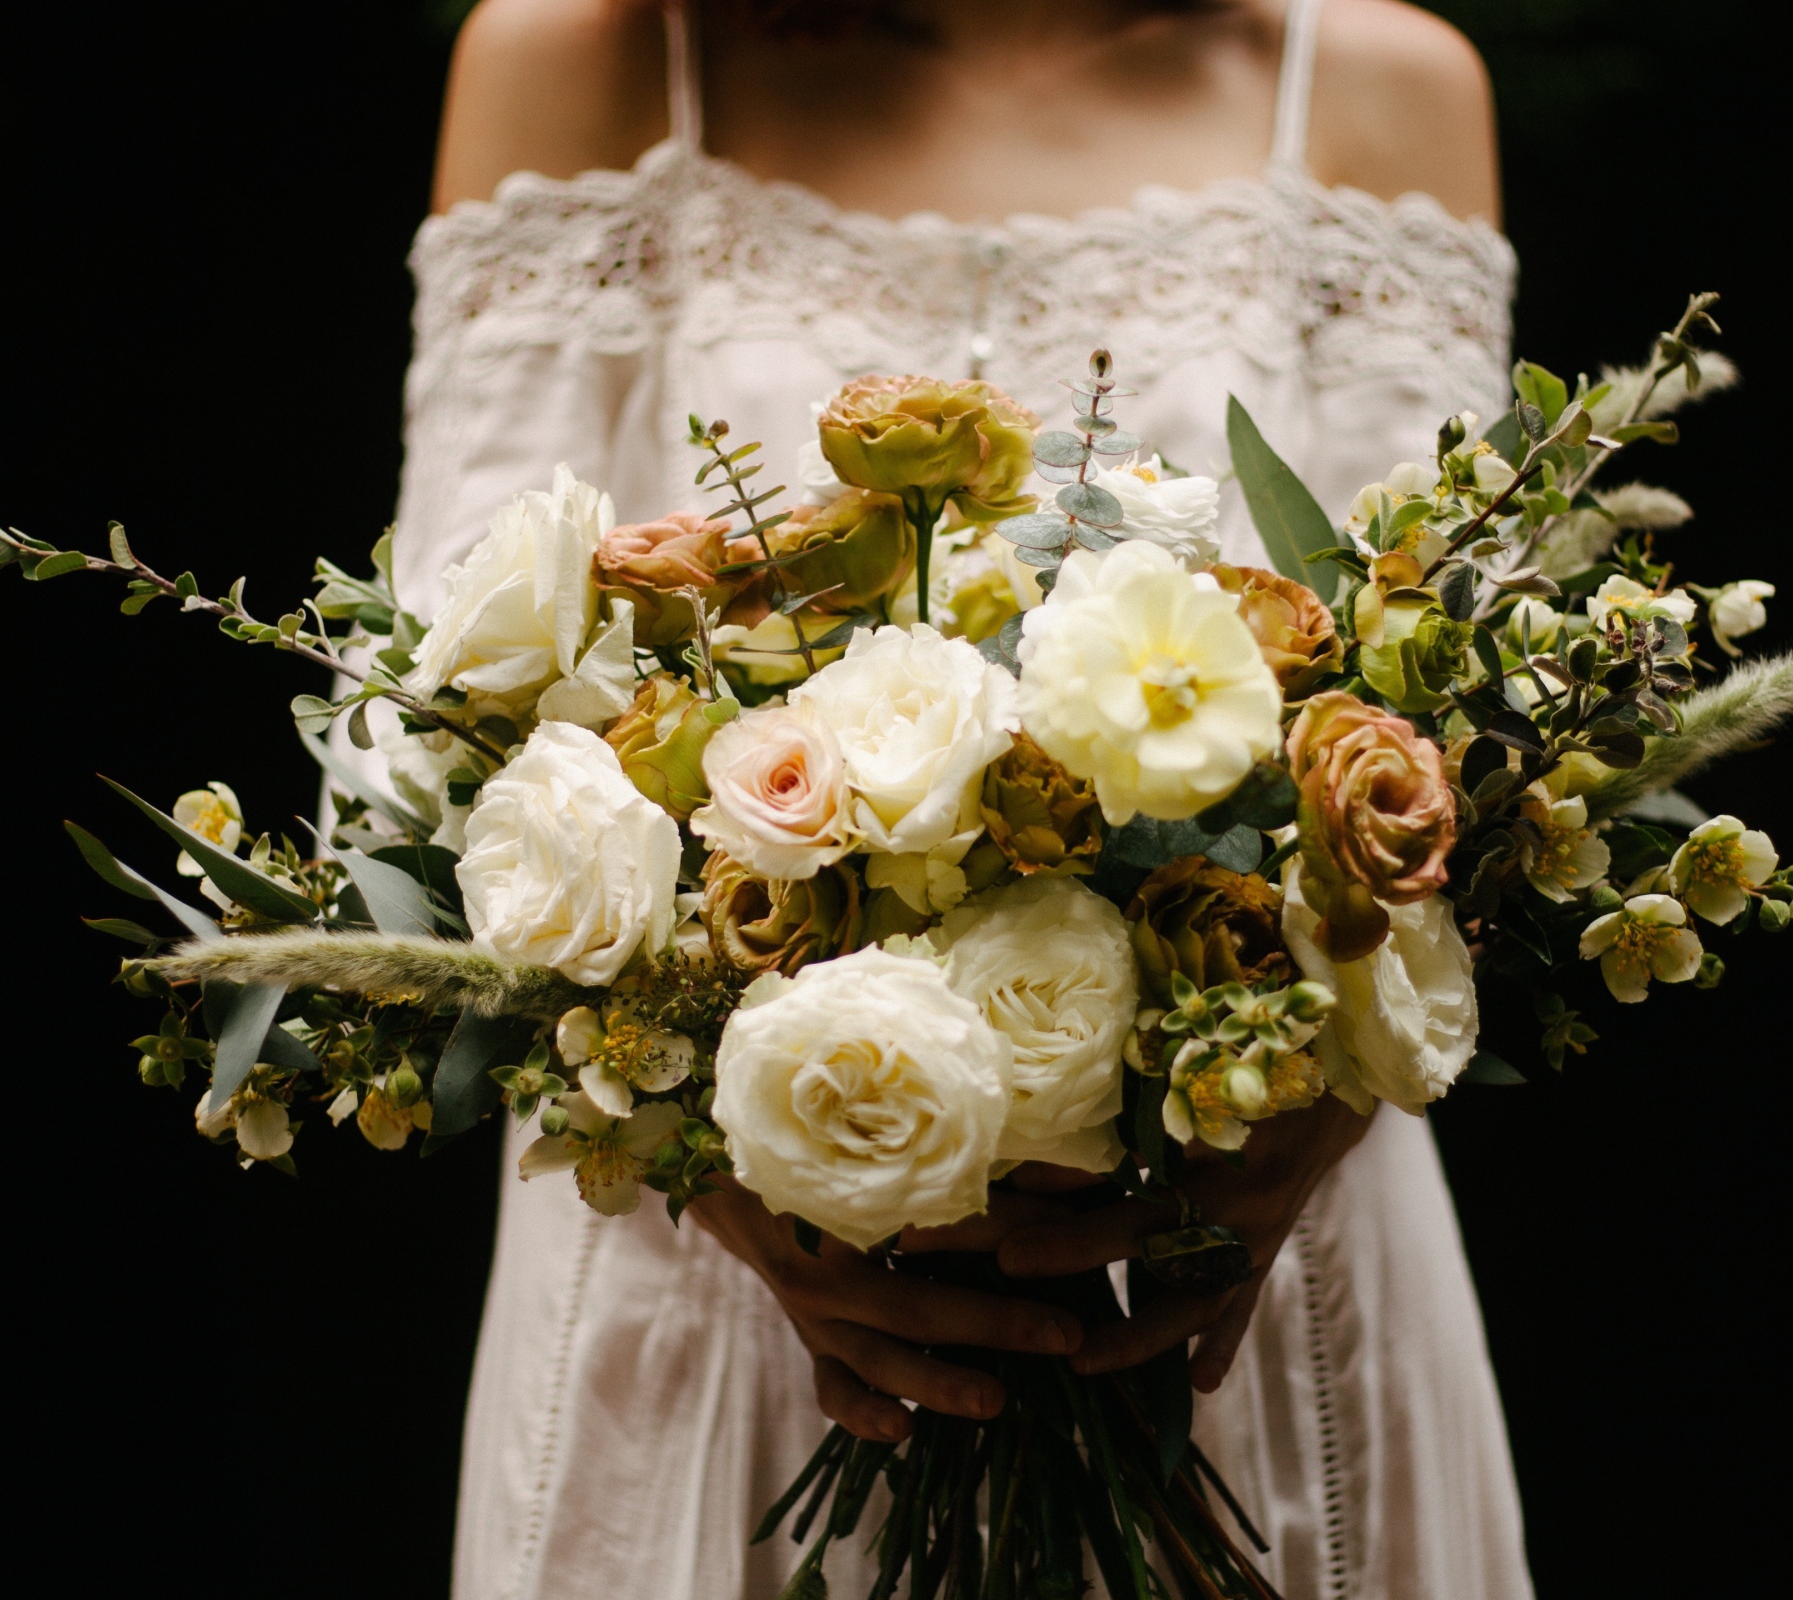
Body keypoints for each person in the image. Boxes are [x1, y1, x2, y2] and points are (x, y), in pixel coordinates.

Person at [401, 2, 1530, 1594]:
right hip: (718, 1298)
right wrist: (719, 1161)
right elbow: (441, 724)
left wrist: (1315, 1110)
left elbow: (1468, 717)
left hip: (1242, 1263)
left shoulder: (1371, 87)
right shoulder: (586, 63)